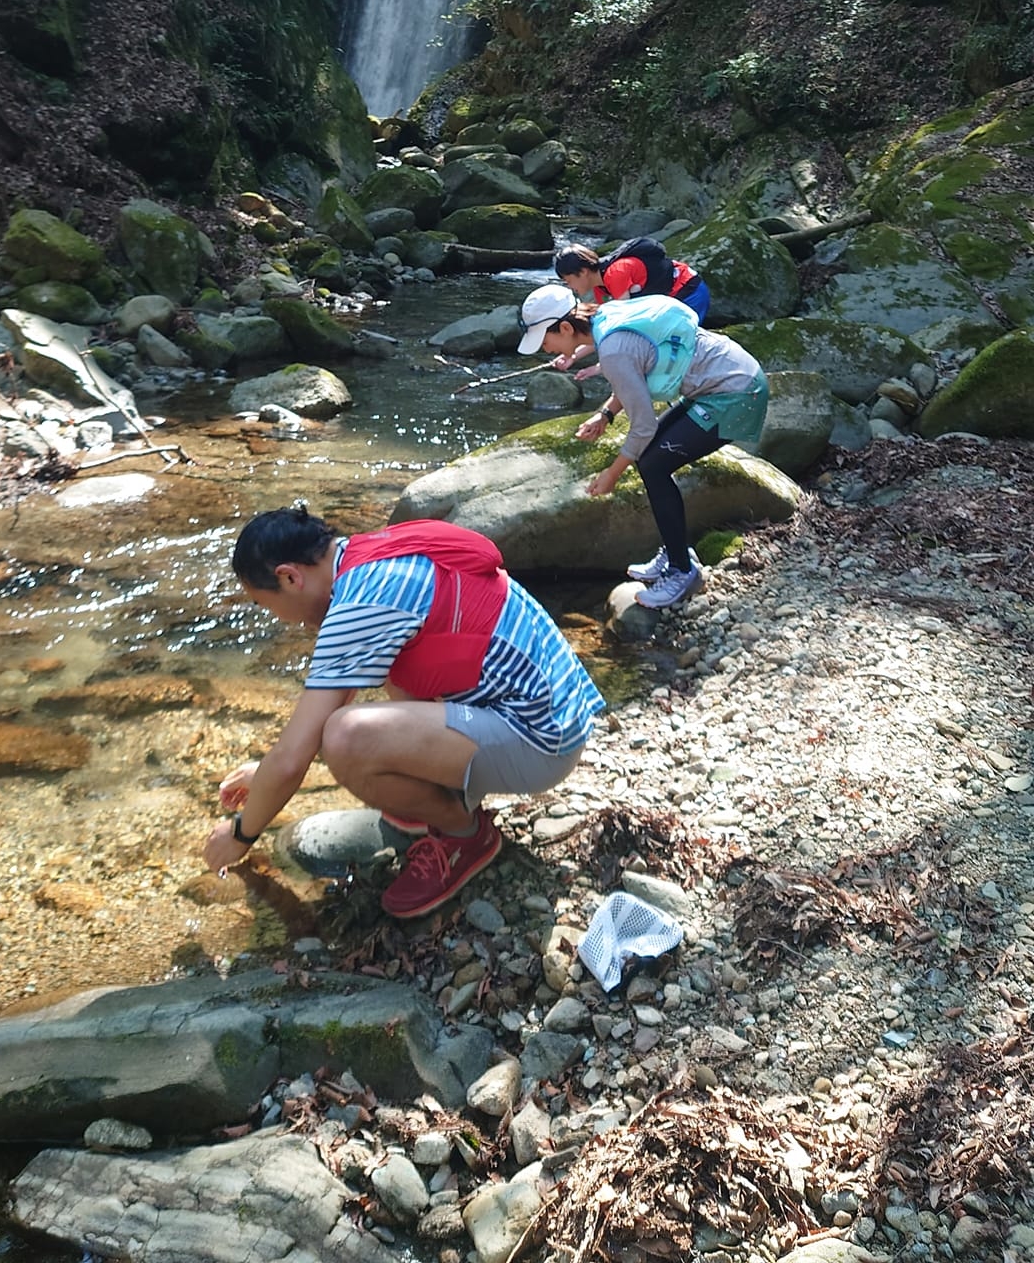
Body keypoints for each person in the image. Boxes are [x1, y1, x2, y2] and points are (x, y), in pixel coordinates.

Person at [203, 506, 605, 919]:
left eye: (264, 602)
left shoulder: (356, 607)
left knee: (345, 737)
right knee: (381, 681)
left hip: (540, 744)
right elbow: (312, 726)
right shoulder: (373, 555)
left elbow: (296, 755)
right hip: (554, 712)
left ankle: (463, 836)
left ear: (289, 577)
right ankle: (440, 795)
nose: (276, 618)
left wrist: (240, 834)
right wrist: (267, 773)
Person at [517, 285, 768, 608]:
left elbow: (644, 425)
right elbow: (636, 372)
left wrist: (611, 474)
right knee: (651, 460)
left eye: (544, 340)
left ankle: (682, 572)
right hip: (723, 378)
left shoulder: (612, 350)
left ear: (565, 328)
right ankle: (676, 549)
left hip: (736, 393)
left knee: (653, 464)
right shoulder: (607, 315)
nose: (545, 348)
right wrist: (606, 415)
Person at [555, 239, 711, 322]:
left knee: (682, 342)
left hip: (689, 291)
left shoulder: (616, 273)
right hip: (674, 295)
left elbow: (623, 317)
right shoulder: (600, 287)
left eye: (568, 281)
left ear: (583, 272)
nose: (570, 287)